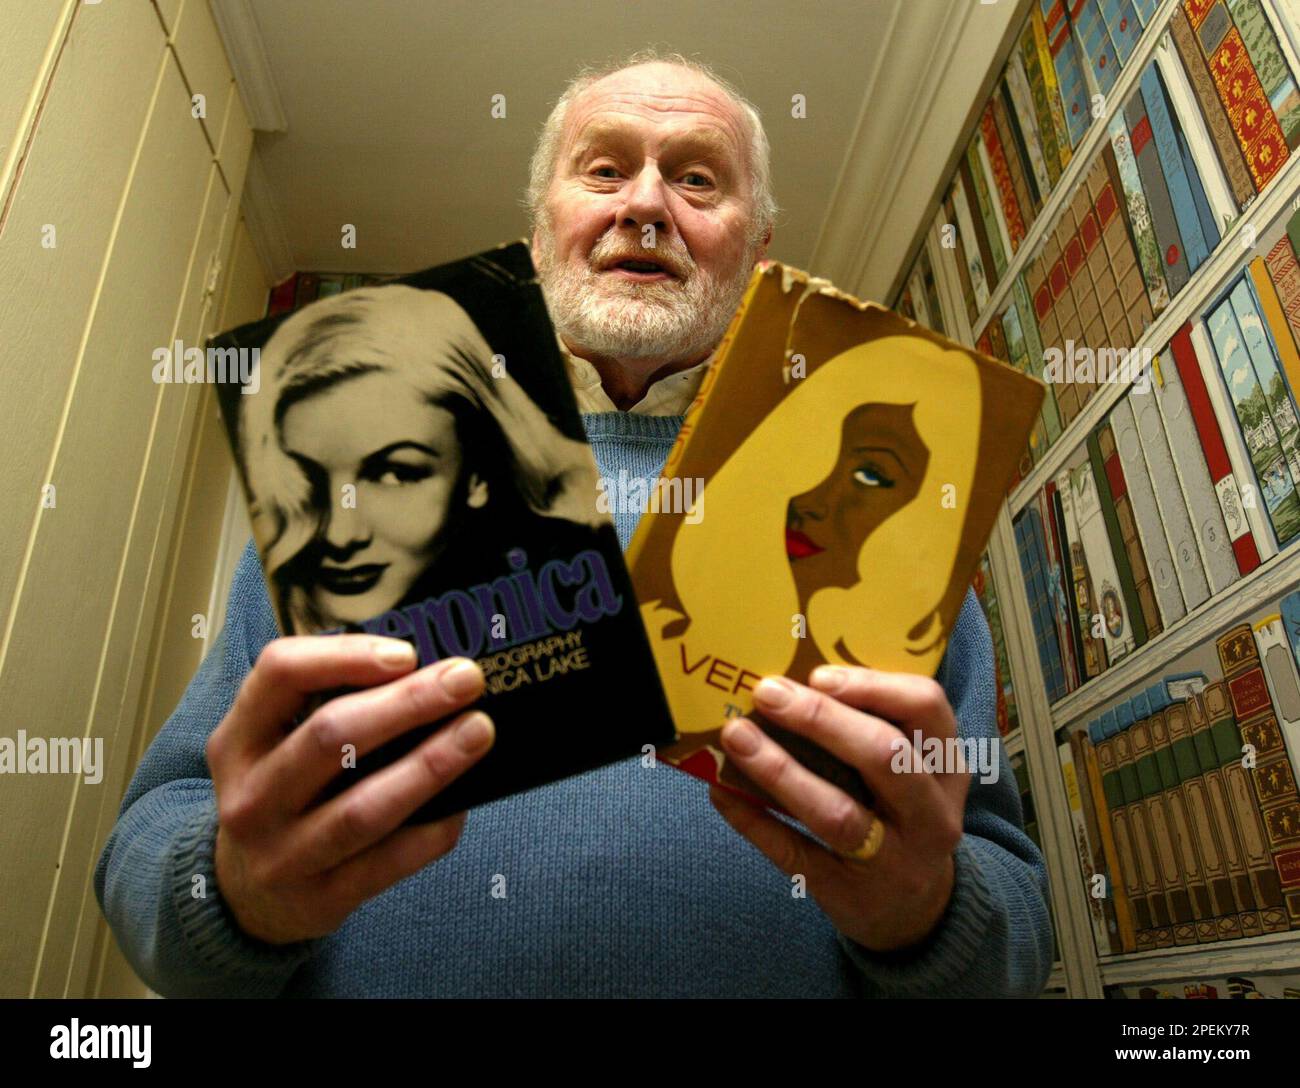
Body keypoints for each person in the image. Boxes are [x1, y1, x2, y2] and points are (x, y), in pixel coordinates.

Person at [95, 49, 1054, 997]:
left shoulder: (889, 537)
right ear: (543, 225)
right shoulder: (351, 498)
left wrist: (928, 915)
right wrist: (233, 898)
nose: (645, 205)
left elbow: (1016, 909)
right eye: (604, 169)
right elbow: (151, 841)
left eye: (696, 179)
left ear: (757, 249)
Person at [234, 284, 605, 634]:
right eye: (306, 479)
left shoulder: (580, 576)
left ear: (477, 474)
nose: (340, 535)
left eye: (394, 474)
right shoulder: (271, 566)